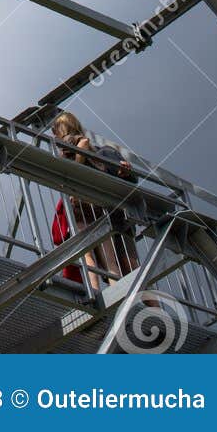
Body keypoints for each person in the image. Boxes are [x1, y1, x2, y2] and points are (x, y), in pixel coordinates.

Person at [49, 110, 139, 295]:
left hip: (80, 208)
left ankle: (94, 293)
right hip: (98, 209)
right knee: (110, 259)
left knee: (89, 255)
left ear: (60, 130)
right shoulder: (87, 149)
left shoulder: (67, 149)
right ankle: (118, 293)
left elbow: (69, 173)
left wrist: (74, 174)